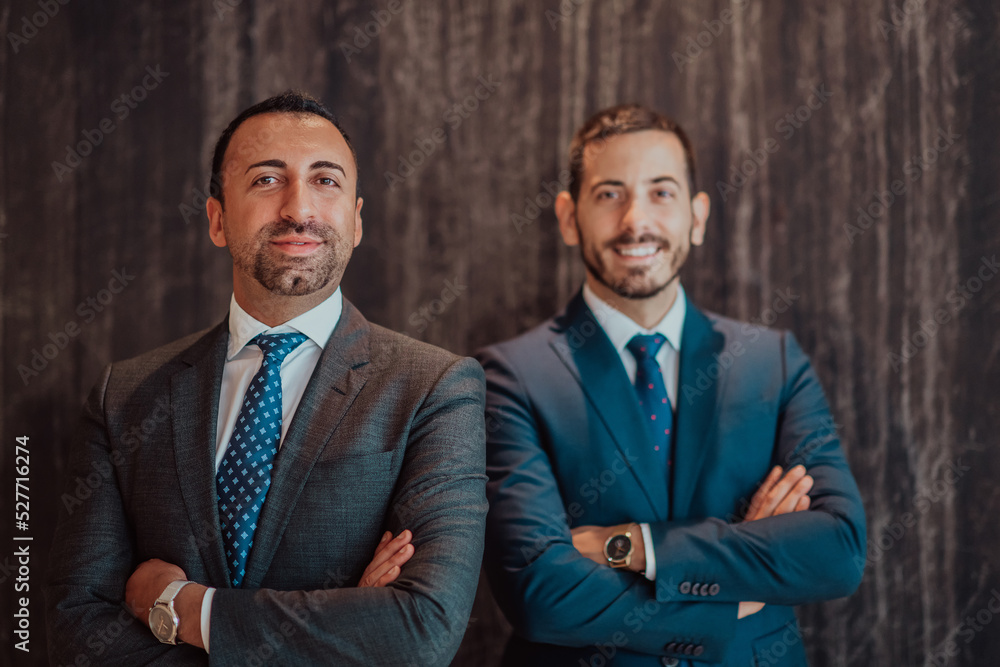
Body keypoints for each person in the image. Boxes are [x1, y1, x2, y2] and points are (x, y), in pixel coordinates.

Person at [45, 91, 487, 666]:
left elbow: (421, 628)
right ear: (218, 219)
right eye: (266, 180)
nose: (298, 208)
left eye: (325, 180)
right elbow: (73, 626)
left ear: (355, 222)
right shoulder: (123, 396)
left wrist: (181, 608)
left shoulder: (436, 389)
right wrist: (342, 620)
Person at [477, 104, 866, 666]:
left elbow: (838, 550)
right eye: (610, 193)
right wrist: (742, 585)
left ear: (698, 216)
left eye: (662, 192)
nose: (637, 220)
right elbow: (541, 592)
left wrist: (634, 546)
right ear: (568, 217)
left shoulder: (773, 363)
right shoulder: (507, 376)